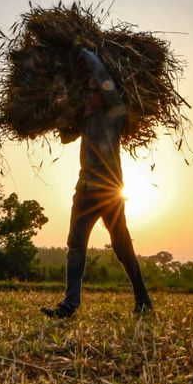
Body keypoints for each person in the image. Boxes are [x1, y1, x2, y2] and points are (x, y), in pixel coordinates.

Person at [42, 47, 152, 318]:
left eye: (94, 92)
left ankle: (143, 298)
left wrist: (83, 50)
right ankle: (69, 306)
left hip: (109, 193)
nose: (89, 97)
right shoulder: (86, 119)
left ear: (103, 95)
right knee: (75, 244)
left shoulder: (114, 113)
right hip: (84, 191)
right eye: (87, 93)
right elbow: (67, 137)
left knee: (121, 246)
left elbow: (103, 77)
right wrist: (61, 116)